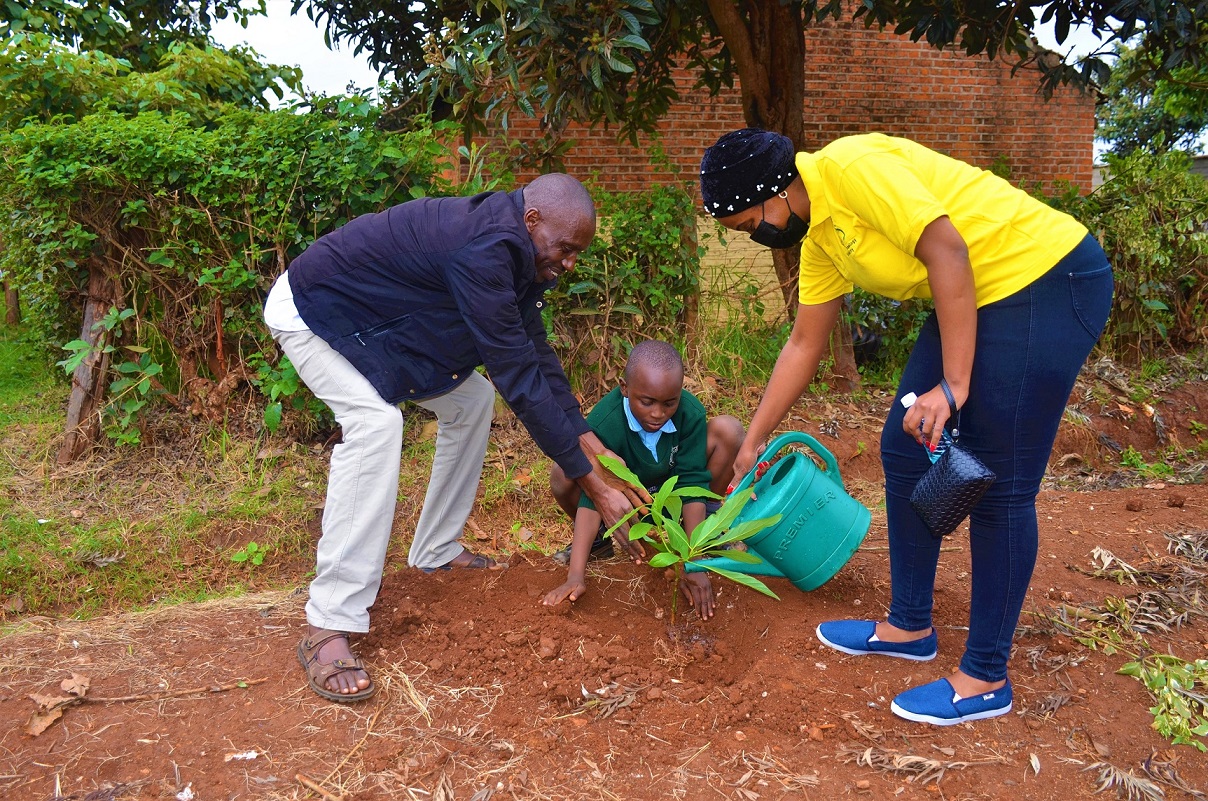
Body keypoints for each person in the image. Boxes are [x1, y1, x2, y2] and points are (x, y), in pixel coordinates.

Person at [700, 128, 1113, 725]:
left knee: (997, 480)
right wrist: (755, 438)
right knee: (904, 444)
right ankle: (909, 624)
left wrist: (955, 386)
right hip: (979, 292)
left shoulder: (851, 168)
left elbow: (946, 249)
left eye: (749, 223)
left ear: (776, 189)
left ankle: (985, 677)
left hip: (1044, 278)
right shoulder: (818, 236)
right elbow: (803, 342)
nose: (756, 236)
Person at [264, 174, 648, 703]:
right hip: (316, 311)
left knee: (472, 401)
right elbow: (515, 371)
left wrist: (587, 438)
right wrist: (594, 485)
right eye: (566, 248)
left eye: (577, 252)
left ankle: (435, 550)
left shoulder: (525, 254)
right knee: (377, 425)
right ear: (532, 220)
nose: (570, 262)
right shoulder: (486, 249)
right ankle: (328, 621)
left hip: (383, 322)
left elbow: (534, 350)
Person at [542, 340, 744, 620]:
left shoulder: (690, 413)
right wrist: (575, 575)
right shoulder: (605, 421)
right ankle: (599, 541)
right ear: (625, 389)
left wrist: (693, 561)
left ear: (680, 393)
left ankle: (702, 534)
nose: (658, 414)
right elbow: (593, 494)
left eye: (669, 403)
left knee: (729, 430)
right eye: (647, 402)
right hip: (622, 503)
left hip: (671, 499)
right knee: (564, 472)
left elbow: (690, 483)